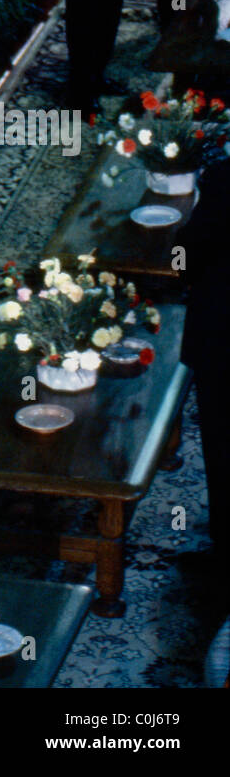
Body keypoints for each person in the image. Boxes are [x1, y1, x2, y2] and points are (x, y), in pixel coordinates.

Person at [174, 154, 230, 577]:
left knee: (221, 440)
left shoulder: (225, 176)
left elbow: (188, 254)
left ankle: (225, 550)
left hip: (222, 341)